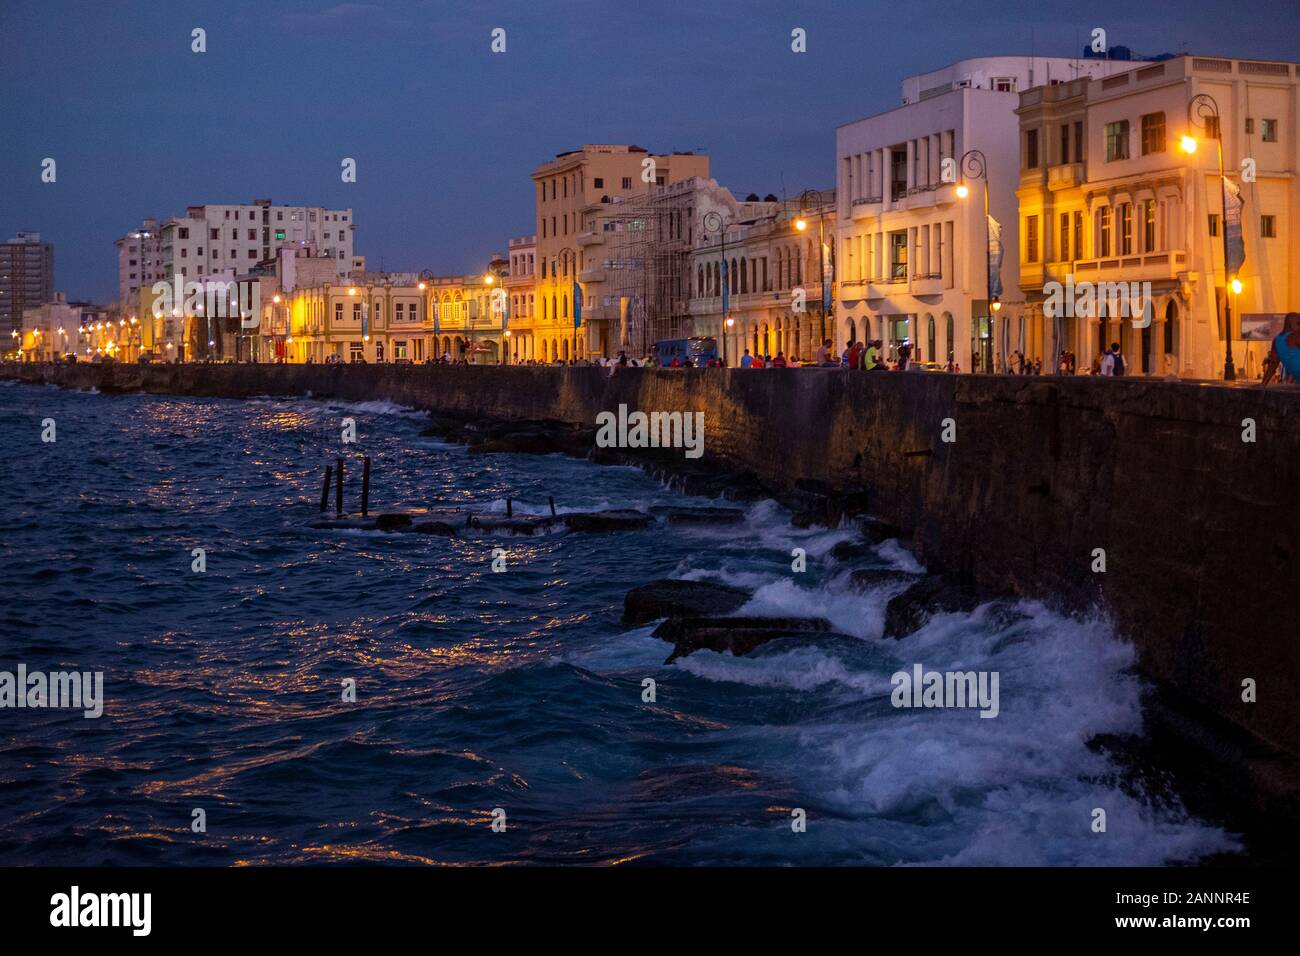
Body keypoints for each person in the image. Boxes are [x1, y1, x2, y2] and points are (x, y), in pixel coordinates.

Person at [1262, 311, 1300, 386]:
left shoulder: (1276, 341)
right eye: (1299, 323)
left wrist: (1263, 383)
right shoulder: (1296, 336)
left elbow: (1273, 364)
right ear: (1290, 324)